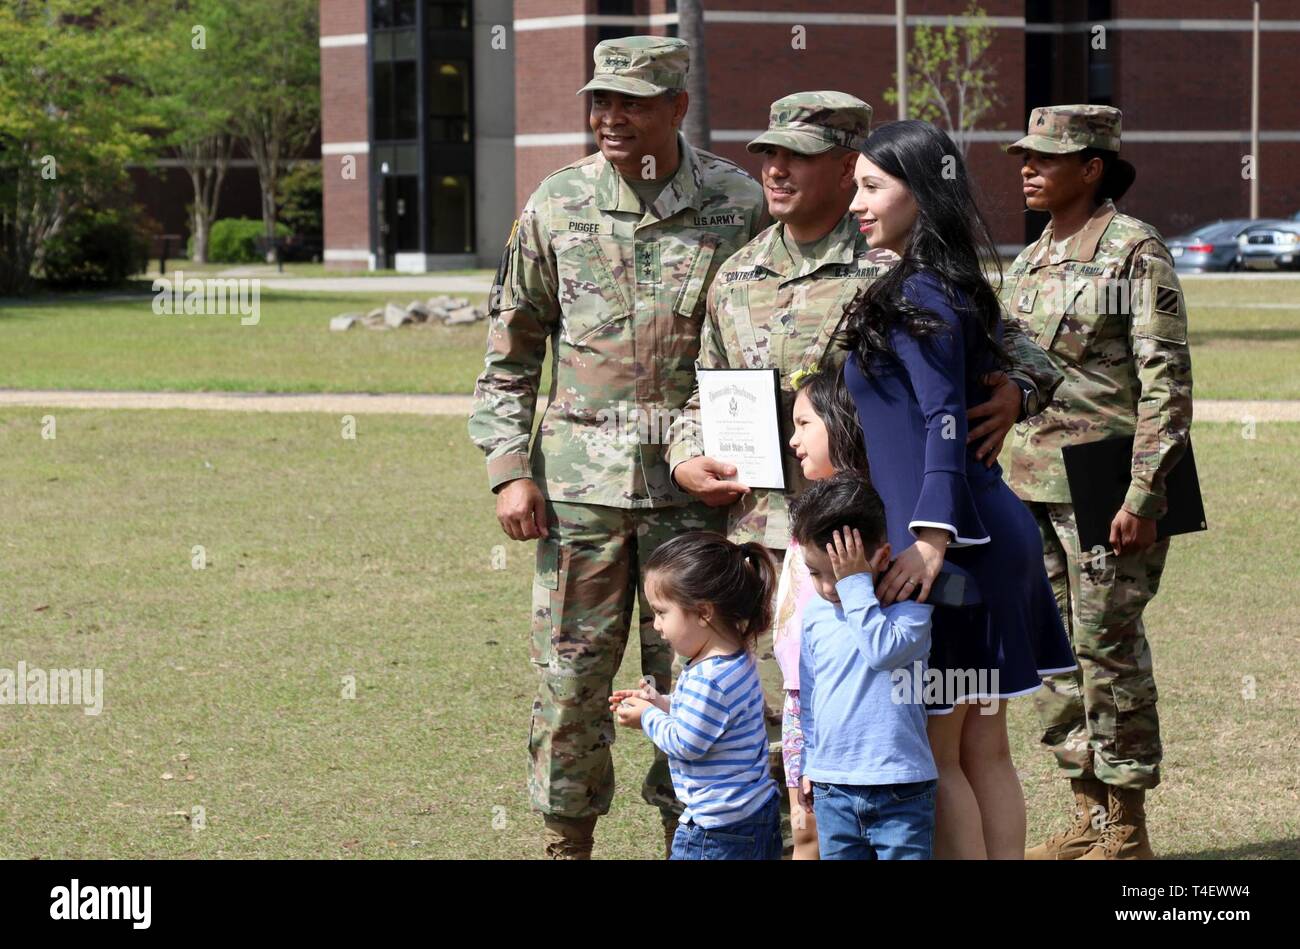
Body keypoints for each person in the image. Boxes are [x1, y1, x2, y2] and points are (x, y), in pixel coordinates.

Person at [467, 35, 767, 859]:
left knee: (693, 684)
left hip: (699, 499)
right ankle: (568, 842)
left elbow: (758, 346)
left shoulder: (737, 204)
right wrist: (508, 471)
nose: (610, 117)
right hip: (579, 499)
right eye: (600, 101)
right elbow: (510, 353)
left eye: (631, 102)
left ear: (677, 108)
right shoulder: (556, 204)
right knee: (571, 683)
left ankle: (694, 837)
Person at [835, 119, 1078, 859]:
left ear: (923, 190)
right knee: (981, 748)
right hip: (981, 533)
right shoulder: (938, 281)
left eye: (872, 186)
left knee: (940, 756)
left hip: (953, 547)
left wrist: (932, 536)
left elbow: (943, 413)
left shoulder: (920, 292)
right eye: (854, 187)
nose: (856, 203)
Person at [1000, 105, 1193, 860]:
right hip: (1031, 484)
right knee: (1051, 652)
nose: (1028, 167)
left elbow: (1166, 380)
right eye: (1026, 156)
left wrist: (1145, 494)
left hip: (1106, 482)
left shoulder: (1133, 249)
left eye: (1047, 158)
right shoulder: (1030, 259)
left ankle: (1127, 823)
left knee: (1107, 648)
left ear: (1093, 168)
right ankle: (1084, 807)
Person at [789, 474, 938, 860]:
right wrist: (810, 762)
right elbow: (811, 696)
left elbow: (882, 651)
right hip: (832, 787)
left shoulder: (910, 611)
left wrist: (855, 585)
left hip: (900, 787)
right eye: (815, 573)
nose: (825, 588)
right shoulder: (815, 615)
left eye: (837, 574)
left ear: (883, 557)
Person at [610, 532, 782, 860]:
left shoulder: (709, 678)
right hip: (754, 814)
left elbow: (687, 742)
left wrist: (647, 717)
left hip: (718, 832)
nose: (657, 625)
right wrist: (661, 703)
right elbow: (712, 718)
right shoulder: (734, 657)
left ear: (703, 612)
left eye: (662, 612)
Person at [773, 366, 871, 859]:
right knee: (803, 822)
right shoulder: (811, 505)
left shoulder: (860, 516)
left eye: (804, 423)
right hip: (800, 695)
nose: (793, 440)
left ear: (843, 421)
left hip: (840, 697)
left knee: (827, 825)